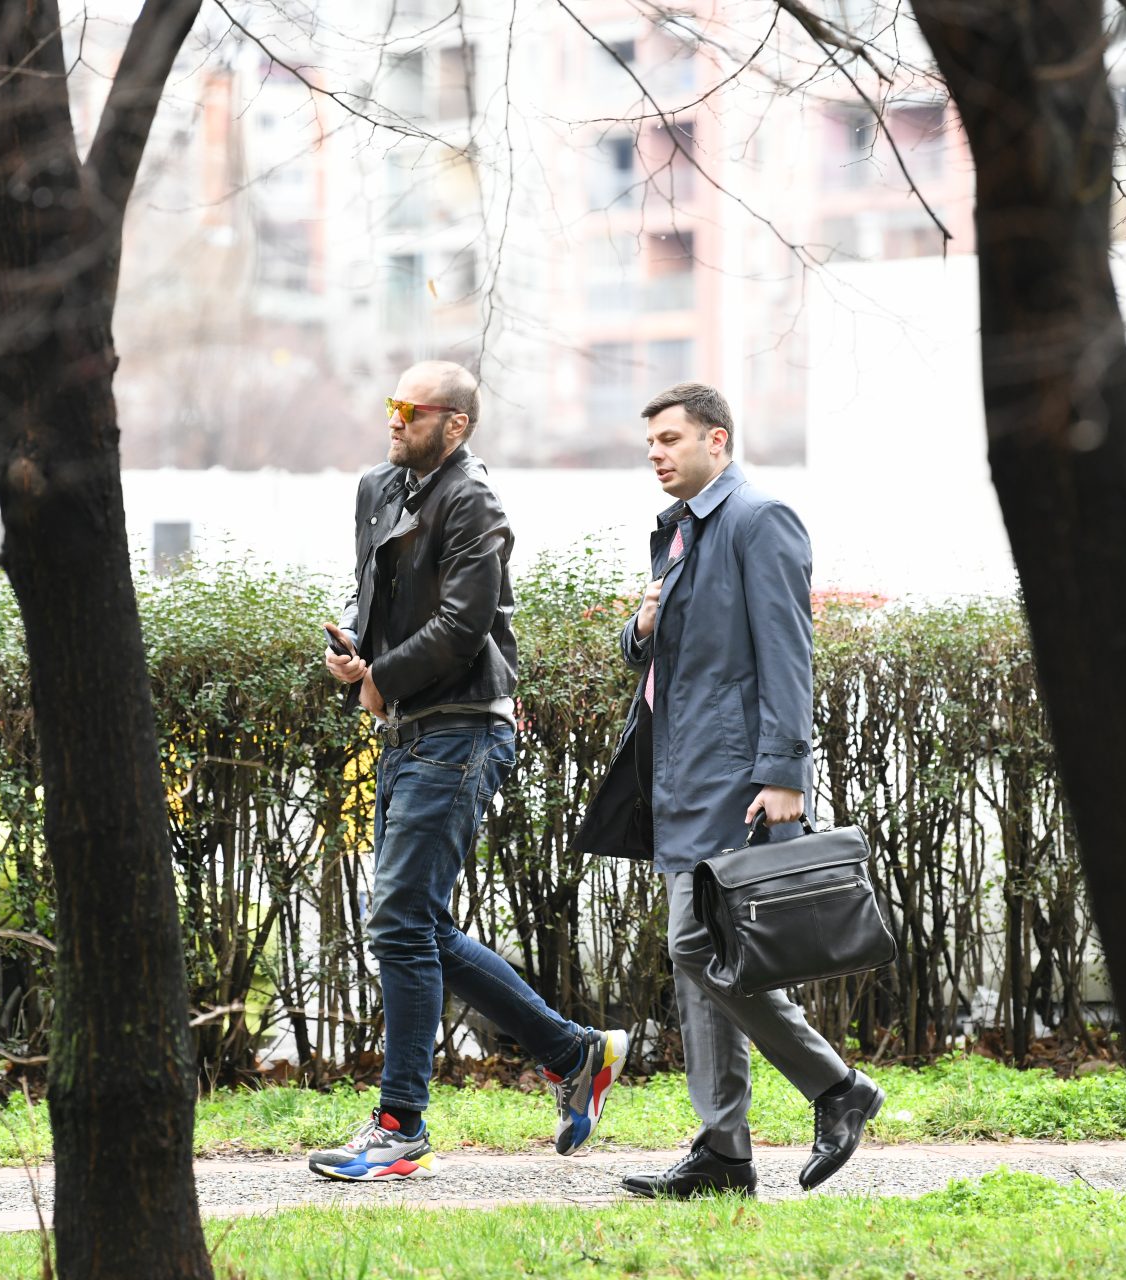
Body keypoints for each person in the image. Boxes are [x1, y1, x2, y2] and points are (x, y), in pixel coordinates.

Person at [307, 360, 629, 1182]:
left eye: (411, 409)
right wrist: (355, 652)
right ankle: (573, 1051)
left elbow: (464, 625)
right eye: (390, 403)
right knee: (415, 924)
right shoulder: (380, 488)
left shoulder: (472, 500)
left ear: (455, 425)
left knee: (400, 923)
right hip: (409, 729)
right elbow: (372, 596)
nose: (394, 419)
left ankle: (400, 1124)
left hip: (461, 730)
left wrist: (383, 678)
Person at [574, 381, 882, 1198]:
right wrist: (637, 630)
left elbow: (788, 653)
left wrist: (785, 772)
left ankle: (836, 1087)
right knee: (700, 966)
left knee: (697, 947)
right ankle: (724, 1152)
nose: (656, 453)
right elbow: (667, 656)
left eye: (671, 439)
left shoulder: (757, 519)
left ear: (718, 441)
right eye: (650, 443)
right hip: (681, 779)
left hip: (735, 781)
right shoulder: (678, 534)